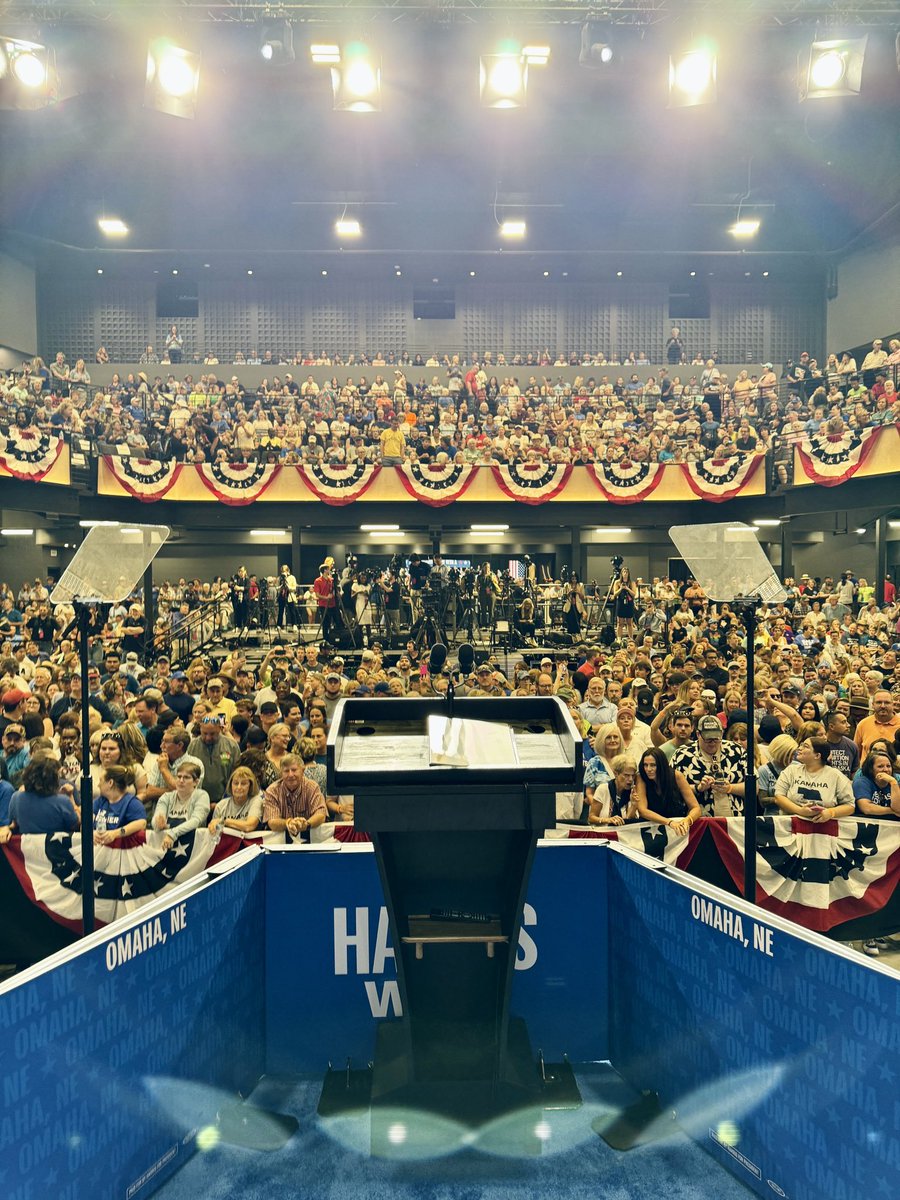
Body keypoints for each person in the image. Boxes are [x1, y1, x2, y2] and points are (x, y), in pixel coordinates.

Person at [773, 737, 856, 821]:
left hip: (824, 828)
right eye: (801, 745)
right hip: (790, 826)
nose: (799, 748)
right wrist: (800, 811)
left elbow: (850, 806)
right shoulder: (791, 770)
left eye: (806, 746)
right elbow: (779, 797)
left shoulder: (836, 776)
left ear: (817, 755)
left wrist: (831, 812)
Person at [634, 747, 700, 836]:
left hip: (678, 828)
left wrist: (687, 820)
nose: (648, 769)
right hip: (652, 830)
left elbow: (696, 808)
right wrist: (669, 822)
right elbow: (643, 810)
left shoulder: (677, 776)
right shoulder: (641, 777)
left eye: (653, 765)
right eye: (645, 765)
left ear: (661, 765)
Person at [8, 754, 79, 835]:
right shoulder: (63, 801)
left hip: (26, 846)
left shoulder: (16, 798)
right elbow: (75, 825)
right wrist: (70, 797)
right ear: (53, 778)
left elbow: (14, 825)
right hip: (56, 847)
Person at [262, 753, 327, 839]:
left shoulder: (312, 787)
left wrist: (306, 824)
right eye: (286, 771)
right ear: (281, 773)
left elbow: (321, 814)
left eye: (294, 770)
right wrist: (288, 823)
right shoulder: (272, 791)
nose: (290, 775)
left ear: (303, 771)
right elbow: (272, 821)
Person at [152, 761, 211, 851]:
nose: (181, 780)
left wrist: (173, 833)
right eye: (179, 776)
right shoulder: (166, 797)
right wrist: (158, 823)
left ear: (196, 782)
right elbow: (156, 820)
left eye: (186, 777)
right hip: (167, 845)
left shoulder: (202, 796)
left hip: (194, 848)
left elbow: (196, 821)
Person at [187, 715, 240, 807]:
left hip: (225, 802)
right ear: (200, 729)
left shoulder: (231, 746)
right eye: (205, 733)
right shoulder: (192, 746)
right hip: (197, 802)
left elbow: (236, 774)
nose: (208, 738)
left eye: (212, 734)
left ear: (219, 729)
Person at [93, 764, 147, 846]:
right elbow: (86, 822)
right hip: (100, 847)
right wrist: (91, 833)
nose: (98, 785)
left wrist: (115, 833)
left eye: (101, 781)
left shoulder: (132, 803)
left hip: (123, 849)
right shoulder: (100, 801)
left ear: (110, 783)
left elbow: (141, 823)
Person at [209, 766, 264, 836]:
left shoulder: (256, 801)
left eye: (243, 784)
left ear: (250, 786)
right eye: (235, 783)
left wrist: (224, 821)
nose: (239, 787)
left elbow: (249, 826)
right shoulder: (221, 805)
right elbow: (213, 832)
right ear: (230, 785)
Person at [589, 755, 639, 826]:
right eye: (626, 775)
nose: (631, 779)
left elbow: (628, 824)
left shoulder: (633, 792)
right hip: (603, 833)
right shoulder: (603, 789)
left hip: (623, 835)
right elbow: (591, 818)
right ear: (616, 773)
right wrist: (607, 820)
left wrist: (633, 806)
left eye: (633, 775)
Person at [853, 750, 900, 819]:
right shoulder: (861, 782)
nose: (886, 769)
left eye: (888, 766)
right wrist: (892, 811)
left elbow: (898, 808)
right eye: (880, 766)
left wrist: (893, 783)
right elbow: (866, 808)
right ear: (870, 769)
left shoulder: (894, 782)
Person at [611, 567, 636, 638]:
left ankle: (631, 638)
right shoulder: (617, 582)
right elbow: (615, 594)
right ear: (621, 573)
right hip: (620, 603)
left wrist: (627, 588)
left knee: (629, 623)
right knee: (620, 623)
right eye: (624, 572)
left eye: (626, 572)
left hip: (629, 603)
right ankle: (619, 639)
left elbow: (634, 594)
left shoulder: (632, 583)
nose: (625, 574)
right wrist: (621, 588)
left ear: (628, 574)